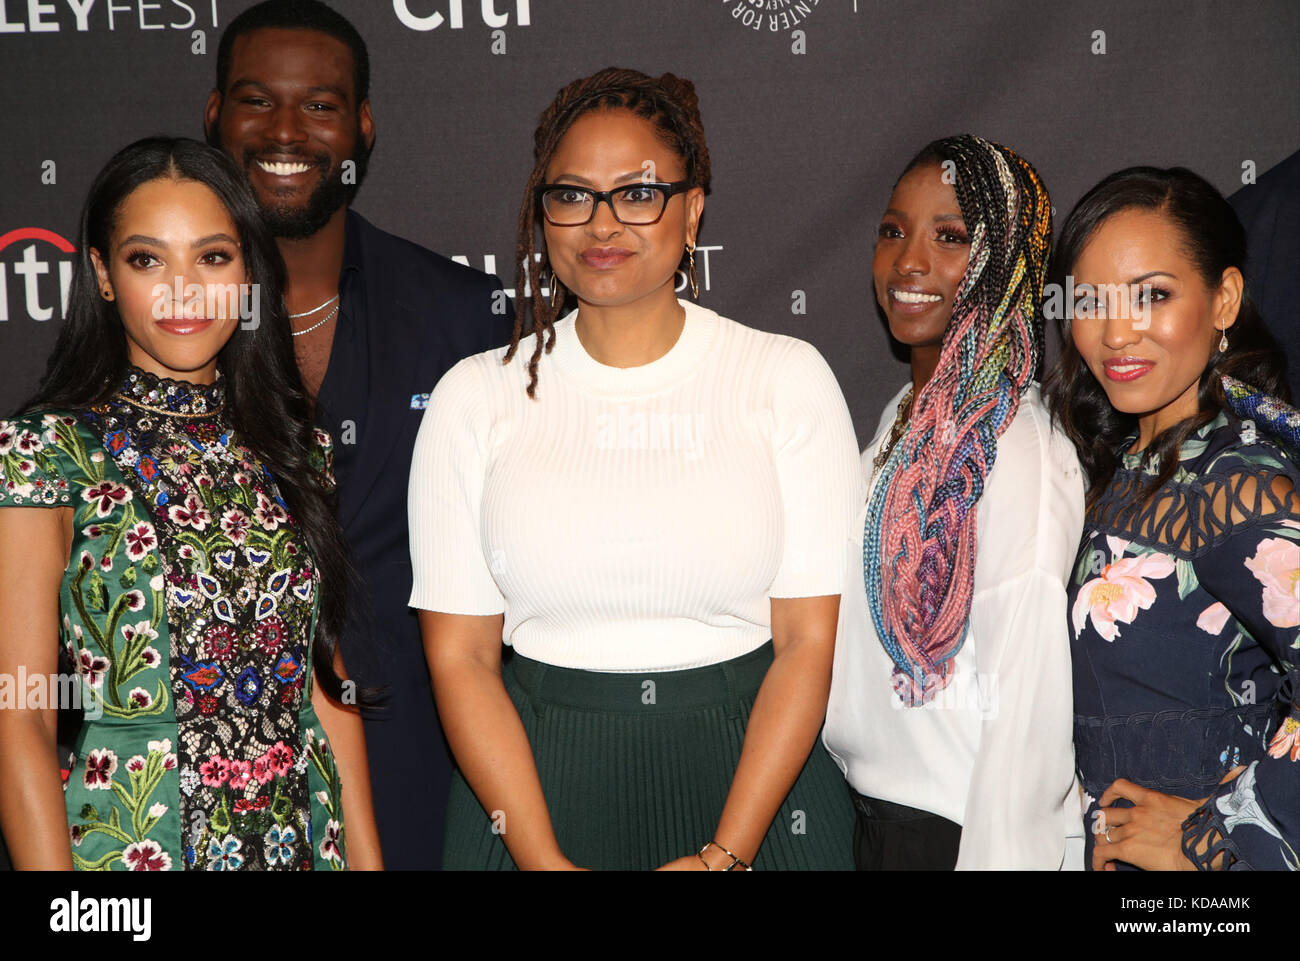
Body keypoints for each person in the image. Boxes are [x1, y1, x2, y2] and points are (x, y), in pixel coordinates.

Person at [408, 67, 862, 870]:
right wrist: (544, 861)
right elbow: (462, 659)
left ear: (691, 212)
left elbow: (806, 646)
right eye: (573, 194)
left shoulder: (784, 377)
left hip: (757, 793)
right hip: (531, 788)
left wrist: (727, 853)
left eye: (639, 193)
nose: (603, 221)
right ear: (542, 214)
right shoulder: (472, 397)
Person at [0, 136, 381, 870]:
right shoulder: (47, 451)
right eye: (148, 259)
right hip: (130, 853)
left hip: (300, 846)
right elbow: (22, 714)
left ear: (247, 274)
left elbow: (326, 692)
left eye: (212, 257)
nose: (183, 289)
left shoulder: (296, 448)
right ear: (103, 276)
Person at [203, 0, 512, 869]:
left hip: (432, 777)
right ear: (214, 116)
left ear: (363, 125)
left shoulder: (467, 319)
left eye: (322, 104)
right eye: (256, 99)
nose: (287, 130)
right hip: (208, 788)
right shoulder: (152, 332)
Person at [822, 135, 1087, 870]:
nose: (909, 260)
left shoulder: (1020, 447)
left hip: (968, 831)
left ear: (1006, 264)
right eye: (892, 230)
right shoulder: (903, 414)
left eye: (950, 237)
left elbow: (1028, 714)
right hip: (881, 823)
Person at [1044, 166, 1300, 870]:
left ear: (1223, 300)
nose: (1116, 333)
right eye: (1091, 301)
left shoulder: (1238, 482)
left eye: (1151, 295)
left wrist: (1220, 833)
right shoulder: (1113, 461)